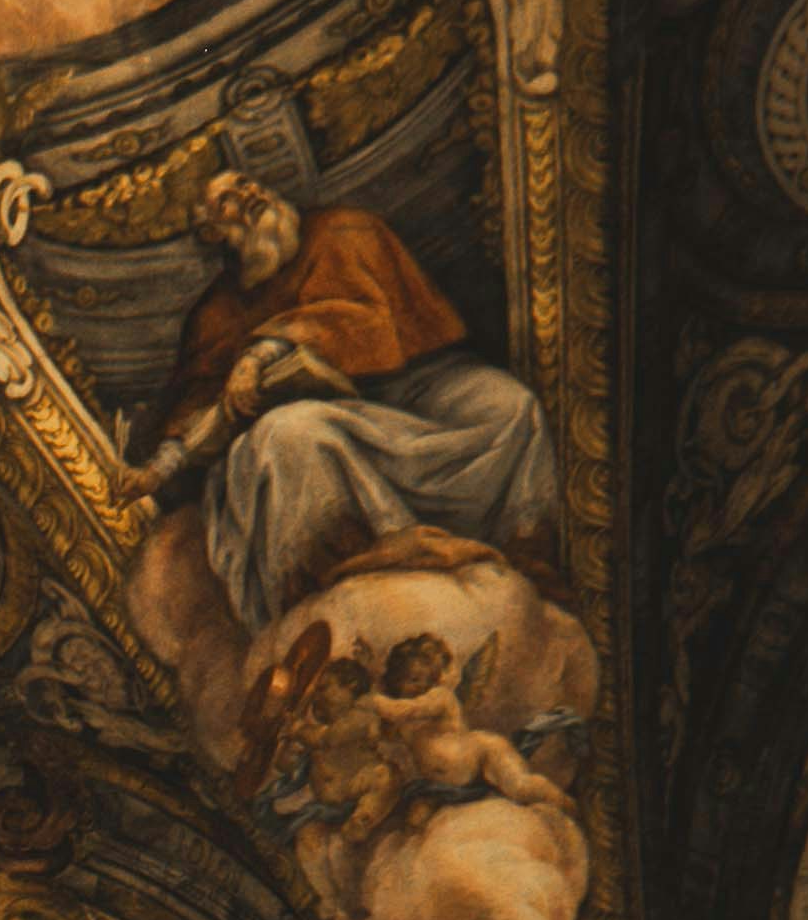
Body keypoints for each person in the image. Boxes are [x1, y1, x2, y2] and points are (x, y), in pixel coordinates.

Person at [132, 155, 558, 632]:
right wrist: (164, 463)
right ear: (213, 234)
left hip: (402, 393)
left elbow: (371, 320)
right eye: (229, 202)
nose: (250, 196)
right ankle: (344, 583)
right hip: (311, 427)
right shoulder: (215, 315)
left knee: (506, 404)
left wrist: (264, 351)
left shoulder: (343, 232)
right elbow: (201, 407)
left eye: (247, 185)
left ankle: (526, 555)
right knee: (291, 434)